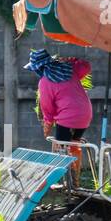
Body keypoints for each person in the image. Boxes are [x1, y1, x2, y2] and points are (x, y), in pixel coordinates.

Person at [27, 49, 92, 178]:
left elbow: (47, 107)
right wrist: (72, 60)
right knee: (74, 144)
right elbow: (86, 66)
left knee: (60, 148)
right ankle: (76, 180)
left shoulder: (45, 82)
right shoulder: (68, 70)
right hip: (85, 115)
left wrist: (47, 125)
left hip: (67, 118)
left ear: (40, 68)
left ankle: (62, 180)